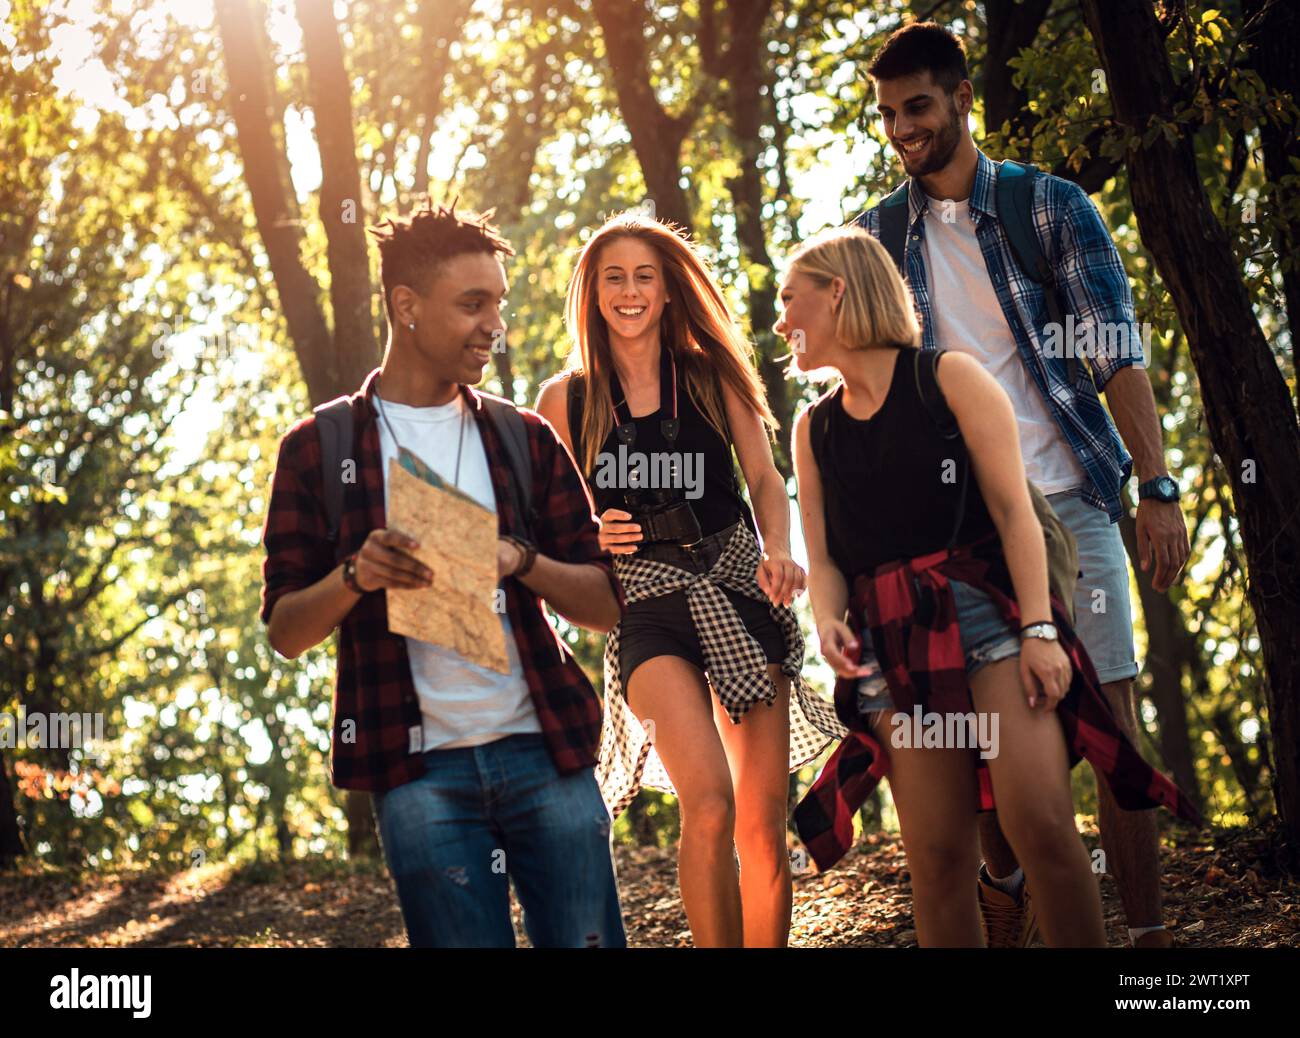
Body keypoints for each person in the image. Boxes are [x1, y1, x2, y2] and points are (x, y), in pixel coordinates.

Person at [848, 20, 1192, 947]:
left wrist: (1155, 485)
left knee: (1110, 716)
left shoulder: (1049, 208)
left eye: (917, 107)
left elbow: (1112, 349)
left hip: (1070, 502)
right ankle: (1012, 925)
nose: (903, 129)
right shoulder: (877, 239)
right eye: (887, 114)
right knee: (984, 744)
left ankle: (1150, 948)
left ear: (962, 99)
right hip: (959, 530)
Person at [781, 225, 1201, 947]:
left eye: (791, 300)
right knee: (940, 857)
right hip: (895, 644)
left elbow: (1016, 515)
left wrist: (1041, 632)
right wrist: (827, 623)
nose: (782, 320)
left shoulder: (949, 378)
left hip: (993, 622)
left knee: (1038, 821)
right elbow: (823, 559)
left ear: (838, 293)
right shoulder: (812, 429)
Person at [260, 202, 626, 948]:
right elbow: (286, 632)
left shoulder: (523, 438)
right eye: (472, 304)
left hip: (546, 754)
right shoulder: (318, 447)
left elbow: (605, 604)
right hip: (418, 775)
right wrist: (356, 575)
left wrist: (520, 560)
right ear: (406, 305)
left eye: (499, 303)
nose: (495, 324)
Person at [535, 212, 843, 947]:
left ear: (669, 289)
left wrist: (780, 550)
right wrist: (588, 536)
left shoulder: (710, 373)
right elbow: (545, 525)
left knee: (762, 821)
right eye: (614, 277)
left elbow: (766, 480)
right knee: (707, 803)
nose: (630, 291)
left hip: (737, 587)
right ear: (592, 291)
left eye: (645, 276)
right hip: (645, 605)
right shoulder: (563, 400)